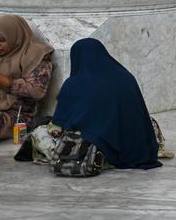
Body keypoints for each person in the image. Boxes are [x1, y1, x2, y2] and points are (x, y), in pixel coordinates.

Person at [42, 38, 161, 170]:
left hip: (102, 148)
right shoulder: (126, 76)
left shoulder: (73, 85)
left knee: (40, 134)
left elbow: (60, 126)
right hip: (137, 146)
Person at [0, 14, 53, 141]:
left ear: (15, 37)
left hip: (17, 114)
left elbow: (36, 92)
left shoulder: (35, 54)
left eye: (1, 40)